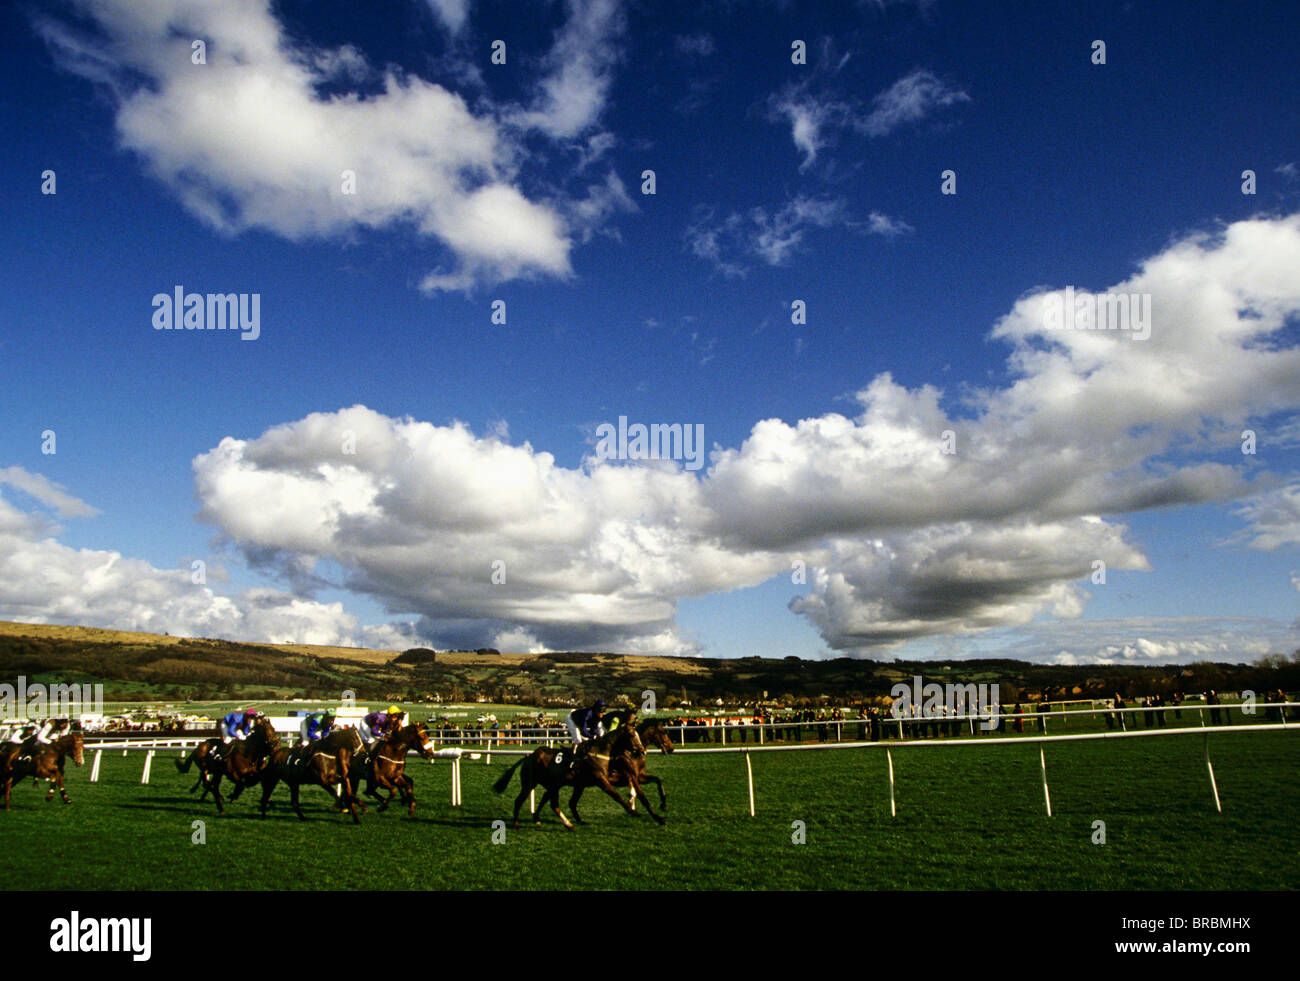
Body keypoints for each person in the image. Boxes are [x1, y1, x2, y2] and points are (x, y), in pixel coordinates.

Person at [560, 699, 605, 767]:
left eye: (604, 711)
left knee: (588, 740)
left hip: (578, 721)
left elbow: (594, 729)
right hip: (571, 719)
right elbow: (583, 731)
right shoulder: (588, 714)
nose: (603, 713)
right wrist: (593, 736)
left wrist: (595, 736)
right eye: (602, 711)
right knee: (578, 740)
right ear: (596, 710)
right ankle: (572, 759)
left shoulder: (597, 716)